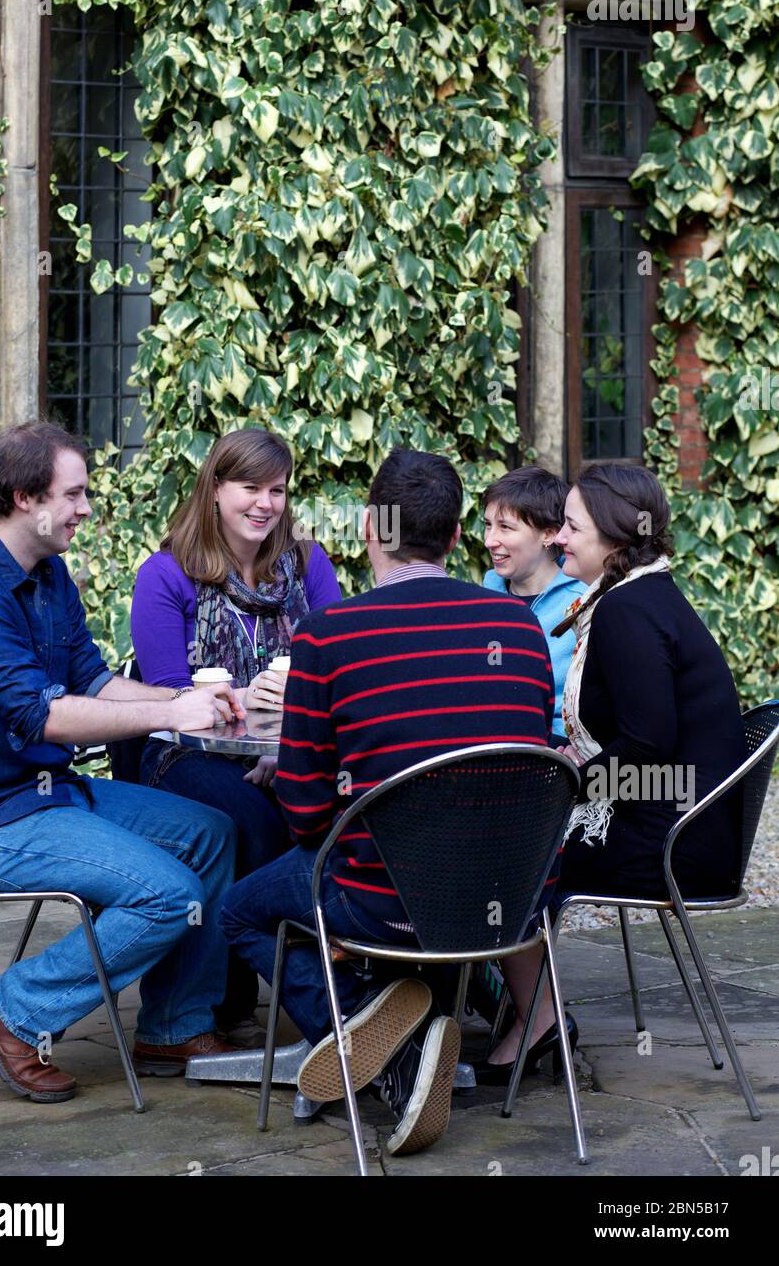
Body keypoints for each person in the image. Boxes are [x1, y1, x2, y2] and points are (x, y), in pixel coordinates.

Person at [217, 448, 560, 1155]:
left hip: (385, 901)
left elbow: (308, 817)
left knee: (238, 910)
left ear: (370, 527)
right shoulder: (520, 628)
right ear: (459, 539)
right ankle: (411, 1020)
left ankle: (383, 1040)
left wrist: (294, 770)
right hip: (509, 897)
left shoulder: (328, 636)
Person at [0, 422, 246, 1104]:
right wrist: (169, 714)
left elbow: (92, 682)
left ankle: (174, 1025)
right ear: (22, 497)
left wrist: (197, 698)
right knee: (166, 894)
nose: (87, 508)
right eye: (75, 494)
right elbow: (44, 715)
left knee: (212, 832)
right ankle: (14, 1010)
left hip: (51, 792)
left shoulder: (48, 574)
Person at [131, 427, 341, 1043]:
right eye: (249, 487)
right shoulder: (167, 575)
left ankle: (353, 970)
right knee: (256, 817)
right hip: (182, 754)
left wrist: (286, 746)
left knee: (350, 804)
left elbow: (338, 672)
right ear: (216, 489)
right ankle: (292, 992)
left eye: (276, 490)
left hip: (291, 751)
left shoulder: (308, 562)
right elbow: (172, 698)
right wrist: (245, 702)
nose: (264, 503)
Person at [552, 462, 747, 900]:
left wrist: (568, 784)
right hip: (681, 830)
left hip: (674, 847)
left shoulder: (627, 610)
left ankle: (458, 968)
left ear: (615, 536)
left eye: (571, 526)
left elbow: (647, 745)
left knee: (506, 852)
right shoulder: (642, 595)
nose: (559, 537)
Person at [482, 466, 587, 745]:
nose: (489, 540)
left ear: (549, 534)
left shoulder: (583, 605)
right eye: (487, 524)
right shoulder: (479, 598)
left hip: (556, 761)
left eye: (505, 527)